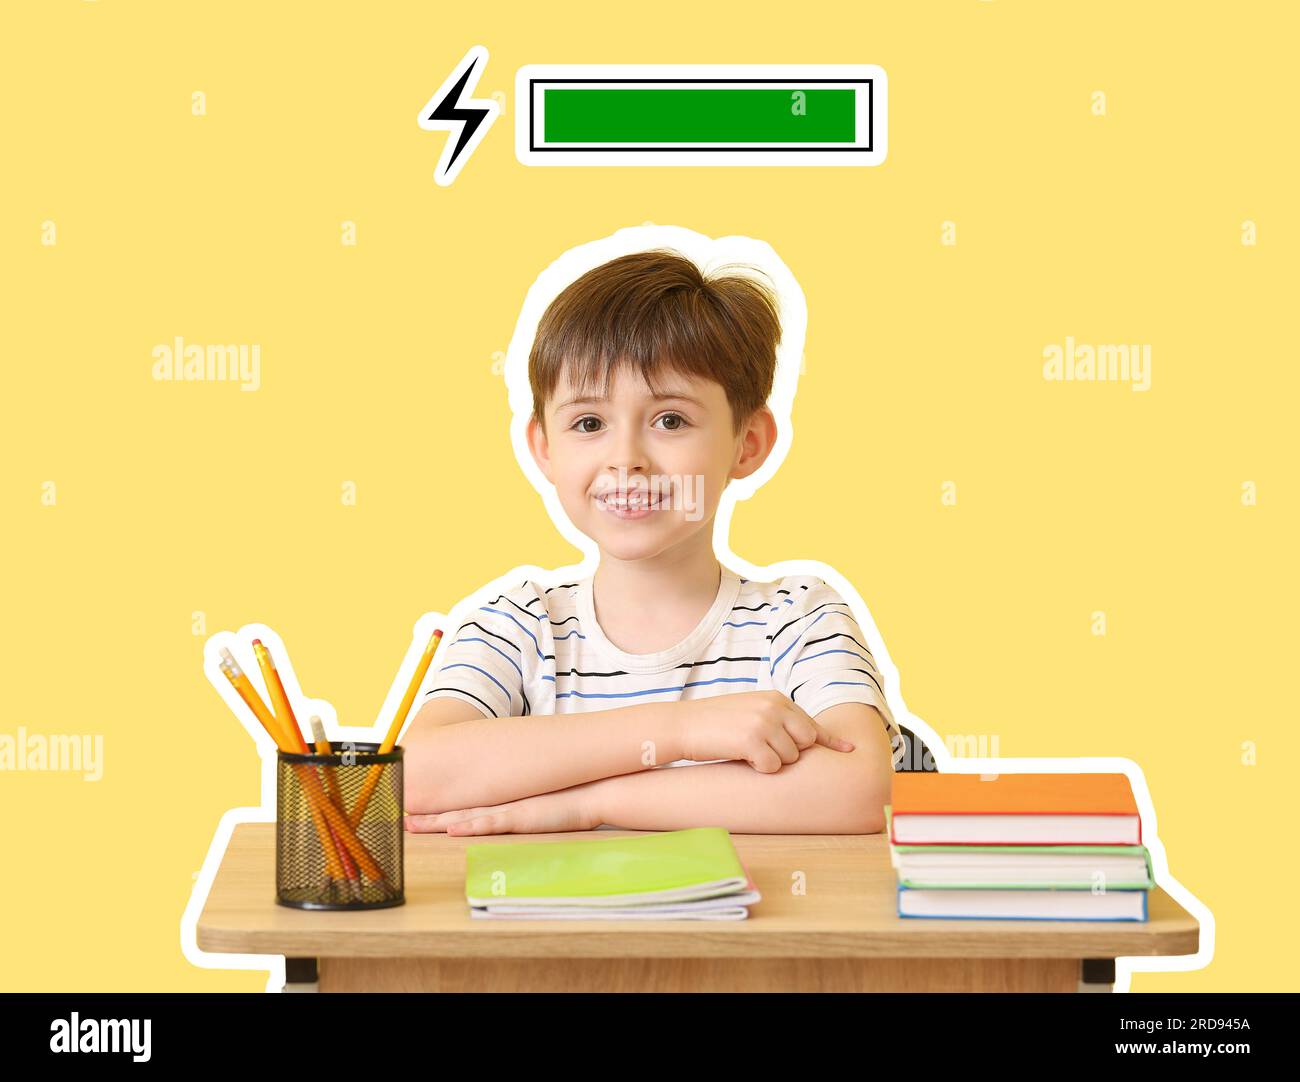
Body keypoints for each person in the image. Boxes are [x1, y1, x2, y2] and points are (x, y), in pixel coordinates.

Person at [402, 242, 900, 835]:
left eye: (671, 420)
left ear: (748, 442)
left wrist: (591, 804)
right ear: (544, 448)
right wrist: (680, 731)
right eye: (589, 423)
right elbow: (417, 780)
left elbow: (861, 790)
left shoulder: (798, 617)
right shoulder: (518, 624)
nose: (626, 460)